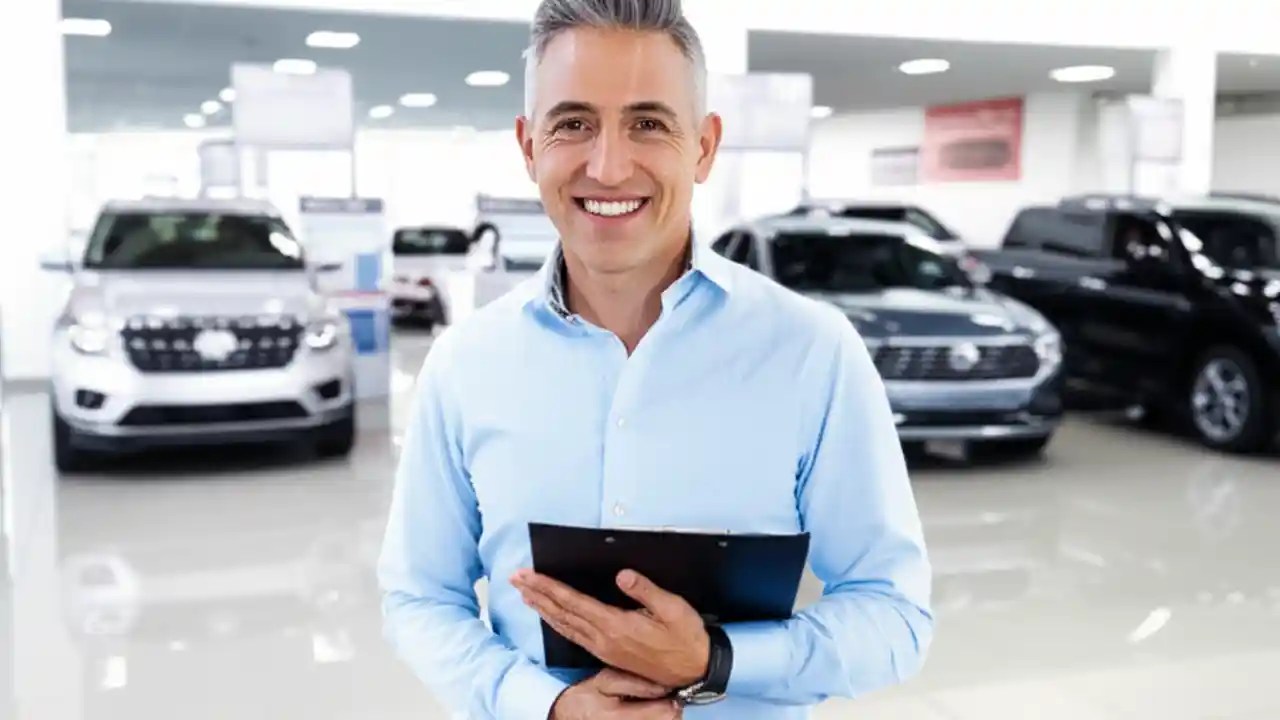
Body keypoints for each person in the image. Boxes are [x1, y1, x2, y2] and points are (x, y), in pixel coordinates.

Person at [377, 1, 933, 718]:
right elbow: (420, 598)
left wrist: (714, 659)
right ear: (527, 146)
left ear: (703, 147)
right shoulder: (465, 364)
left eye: (648, 123)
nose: (608, 166)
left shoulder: (810, 354)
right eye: (573, 123)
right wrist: (545, 705)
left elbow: (895, 615)